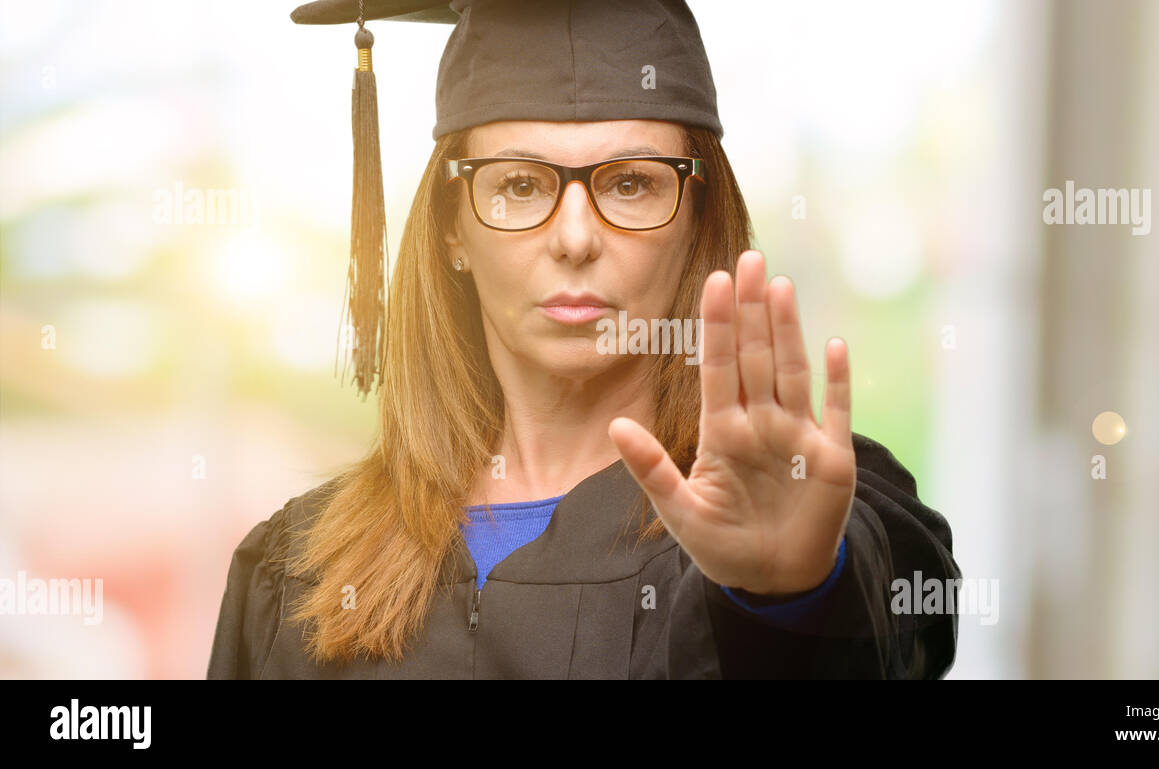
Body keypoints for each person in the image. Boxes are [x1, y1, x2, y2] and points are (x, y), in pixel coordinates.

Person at [206, 0, 961, 679]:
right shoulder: (297, 566)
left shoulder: (788, 503)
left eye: (631, 182)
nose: (574, 237)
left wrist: (790, 598)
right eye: (520, 184)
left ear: (698, 219)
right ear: (451, 229)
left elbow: (887, 625)